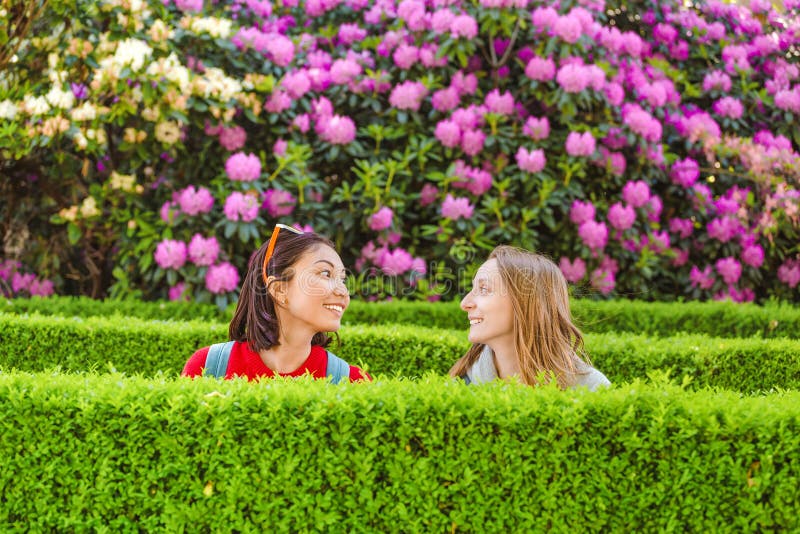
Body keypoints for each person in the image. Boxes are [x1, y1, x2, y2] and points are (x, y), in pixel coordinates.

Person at [182, 224, 370, 382]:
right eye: (326, 274)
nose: (343, 291)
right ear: (280, 290)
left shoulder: (353, 381)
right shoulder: (207, 367)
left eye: (343, 279)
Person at [450, 245, 609, 390]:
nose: (465, 303)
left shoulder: (592, 389)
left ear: (524, 302)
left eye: (483, 289)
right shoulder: (460, 386)